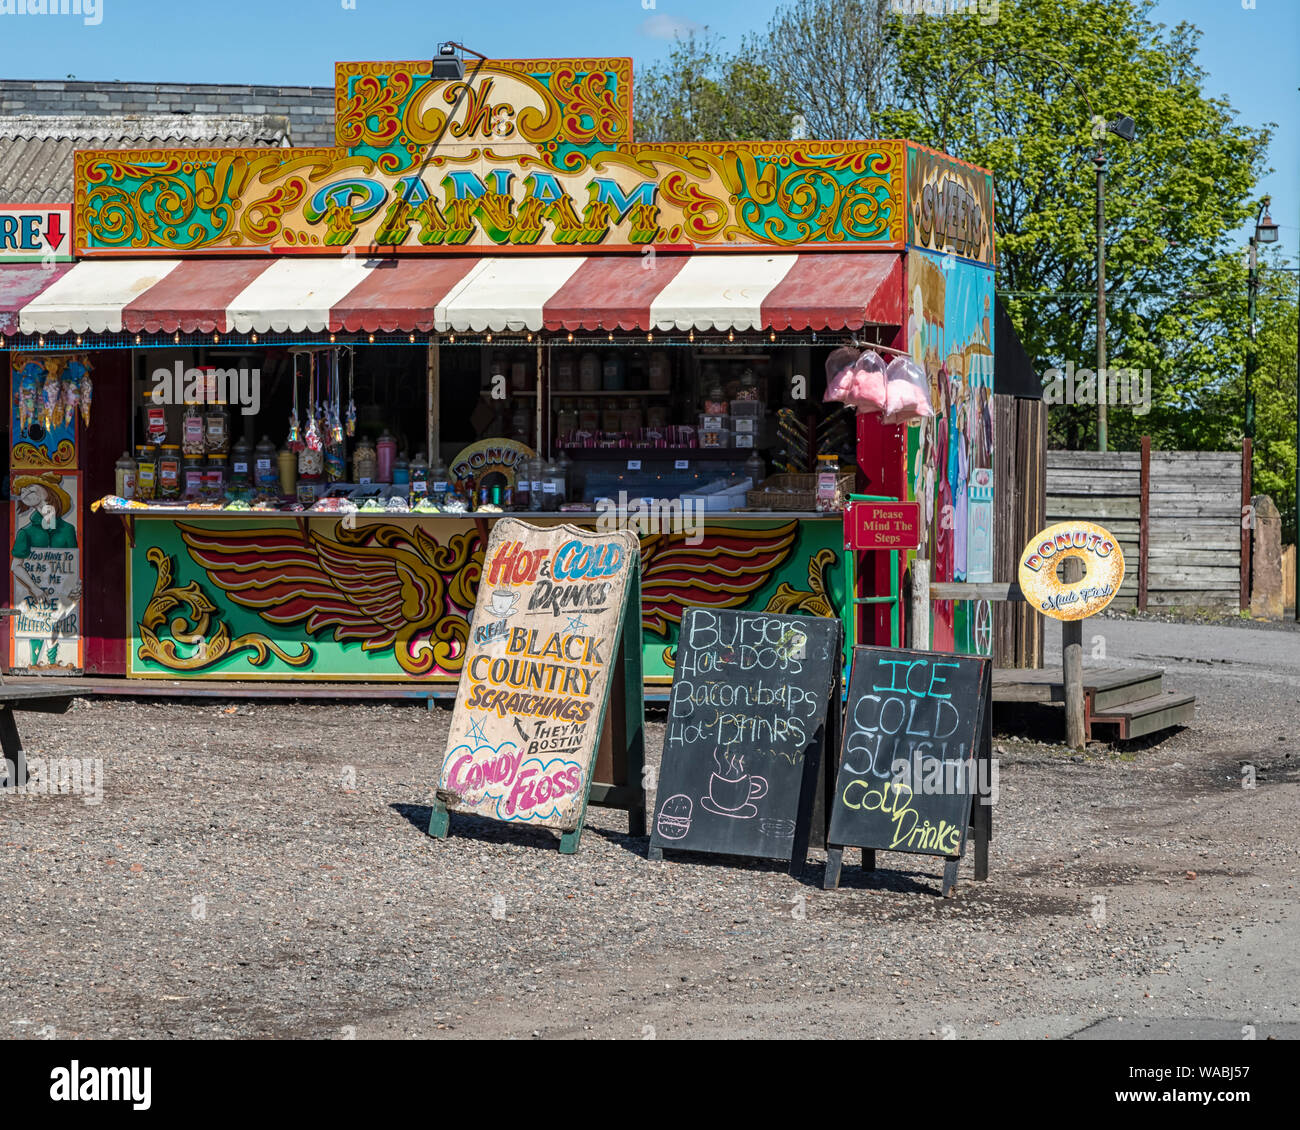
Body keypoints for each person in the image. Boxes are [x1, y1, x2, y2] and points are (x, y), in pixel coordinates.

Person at [11, 472, 80, 668]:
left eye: (32, 486)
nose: (25, 491)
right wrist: (34, 588)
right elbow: (15, 566)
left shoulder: (67, 530)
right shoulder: (26, 532)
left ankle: (53, 662)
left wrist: (76, 587)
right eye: (23, 489)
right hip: (34, 593)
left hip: (60, 593)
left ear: (49, 493)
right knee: (35, 620)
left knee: (58, 619)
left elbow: (72, 565)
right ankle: (33, 663)